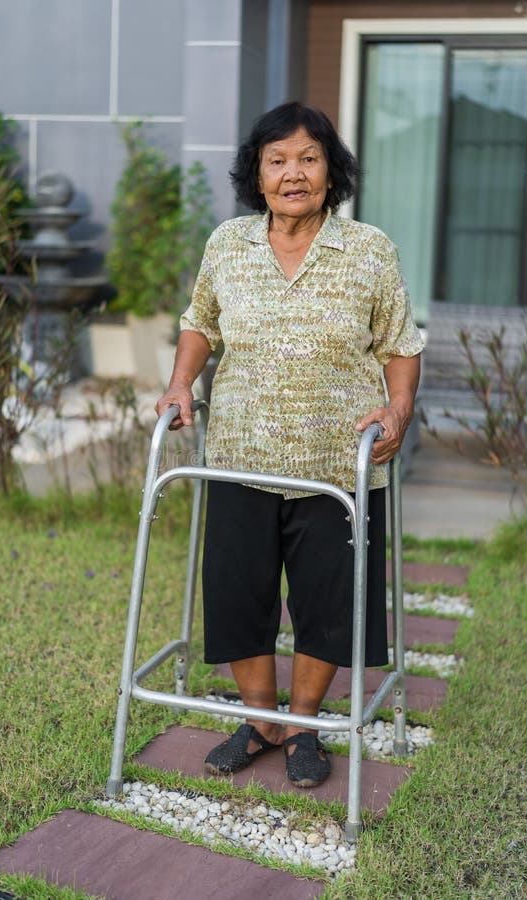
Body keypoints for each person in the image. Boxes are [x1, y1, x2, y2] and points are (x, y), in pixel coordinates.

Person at [155, 101, 423, 788]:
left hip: (339, 461)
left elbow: (400, 343)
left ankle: (305, 723)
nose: (293, 173)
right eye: (277, 160)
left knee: (328, 600)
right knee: (239, 592)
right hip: (240, 455)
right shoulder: (228, 244)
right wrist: (181, 383)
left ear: (331, 171)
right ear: (258, 174)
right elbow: (200, 323)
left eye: (308, 158)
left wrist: (398, 408)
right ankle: (261, 719)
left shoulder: (368, 249)